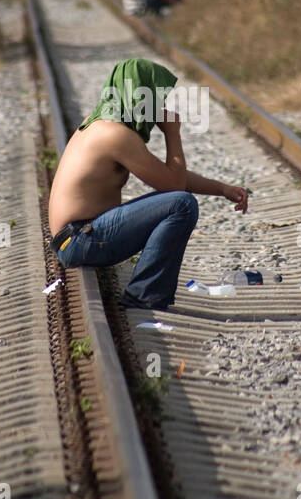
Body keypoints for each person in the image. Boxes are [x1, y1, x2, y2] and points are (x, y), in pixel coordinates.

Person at [47, 58, 249, 311]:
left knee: (177, 202)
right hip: (79, 241)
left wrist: (222, 189)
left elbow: (167, 176)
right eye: (158, 97)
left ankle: (145, 293)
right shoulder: (116, 135)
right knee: (182, 205)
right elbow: (174, 187)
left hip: (78, 237)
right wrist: (173, 134)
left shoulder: (103, 122)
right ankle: (143, 296)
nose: (163, 106)